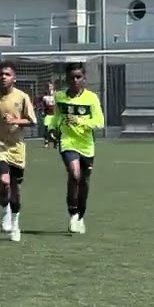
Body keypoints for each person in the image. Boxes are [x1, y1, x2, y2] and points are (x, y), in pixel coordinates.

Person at [0, 61, 36, 242]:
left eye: (7, 74)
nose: (3, 77)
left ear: (14, 78)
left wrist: (15, 121)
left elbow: (32, 121)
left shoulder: (22, 97)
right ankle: (5, 209)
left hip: (16, 147)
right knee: (4, 181)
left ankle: (16, 223)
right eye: (1, 74)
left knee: (14, 188)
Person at [51, 62, 103, 234]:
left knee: (84, 182)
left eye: (78, 77)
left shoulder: (91, 98)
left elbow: (99, 122)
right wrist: (52, 129)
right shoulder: (59, 97)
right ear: (66, 79)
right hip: (68, 141)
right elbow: (56, 117)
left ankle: (81, 215)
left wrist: (80, 121)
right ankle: (73, 213)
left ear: (84, 78)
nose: (75, 80)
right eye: (71, 77)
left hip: (86, 145)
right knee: (74, 174)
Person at [38, 81, 58, 148]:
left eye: (51, 86)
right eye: (48, 86)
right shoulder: (44, 96)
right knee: (46, 129)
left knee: (54, 129)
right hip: (48, 114)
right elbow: (41, 104)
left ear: (53, 87)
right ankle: (46, 142)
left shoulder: (56, 95)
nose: (50, 88)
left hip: (55, 115)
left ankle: (55, 141)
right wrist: (42, 110)